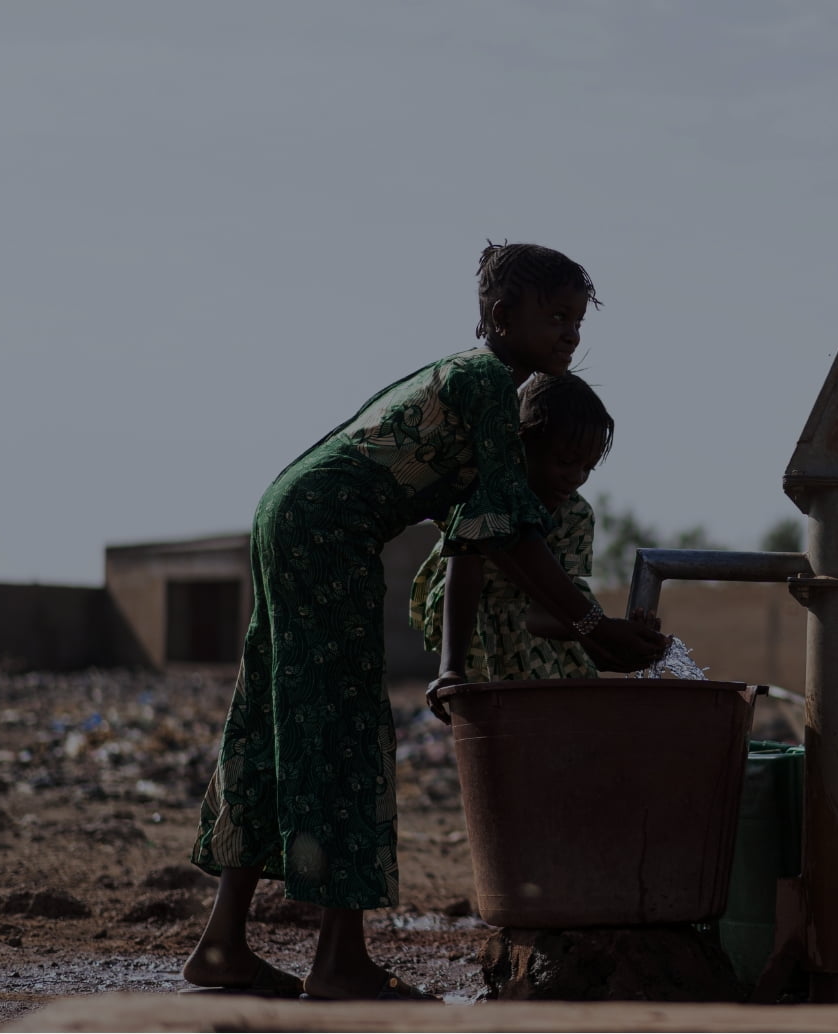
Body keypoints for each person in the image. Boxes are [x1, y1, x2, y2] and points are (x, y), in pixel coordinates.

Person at [181, 243, 667, 999]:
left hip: (293, 515)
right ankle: (339, 962)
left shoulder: (470, 386)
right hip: (328, 530)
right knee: (346, 727)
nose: (571, 335)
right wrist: (592, 626)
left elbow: (480, 532)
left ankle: (222, 944)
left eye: (578, 321)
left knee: (276, 718)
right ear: (503, 317)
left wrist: (570, 627)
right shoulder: (484, 385)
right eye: (556, 318)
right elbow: (504, 530)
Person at [410, 371, 631, 706]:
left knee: (564, 711)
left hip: (539, 626)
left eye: (588, 468)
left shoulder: (575, 514)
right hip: (474, 617)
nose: (576, 478)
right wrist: (450, 669)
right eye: (566, 462)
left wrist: (605, 636)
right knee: (490, 713)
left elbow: (543, 614)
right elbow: (464, 569)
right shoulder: (484, 492)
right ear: (521, 444)